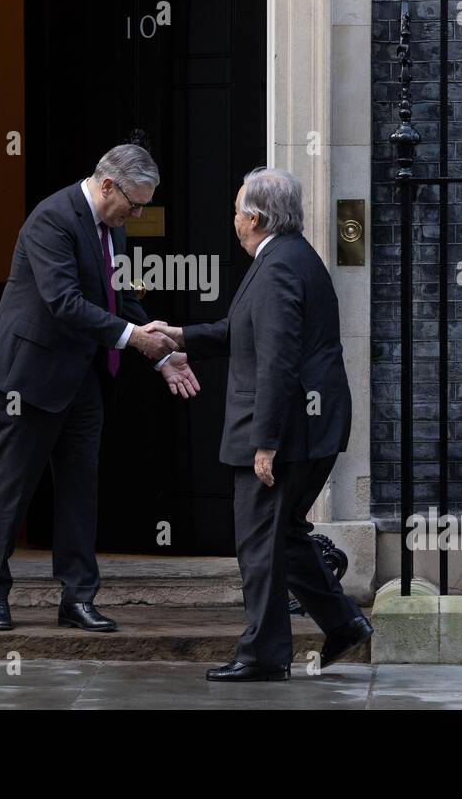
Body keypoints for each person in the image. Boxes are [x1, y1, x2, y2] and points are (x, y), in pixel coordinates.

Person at [146, 168, 371, 680]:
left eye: (235, 208)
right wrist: (180, 334)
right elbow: (241, 330)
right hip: (310, 427)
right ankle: (343, 623)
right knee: (285, 534)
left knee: (258, 542)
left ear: (255, 216)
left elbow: (277, 360)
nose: (232, 218)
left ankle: (264, 656)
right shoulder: (289, 257)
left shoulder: (277, 268)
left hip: (287, 432)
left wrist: (265, 441)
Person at [0, 143, 199, 632]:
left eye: (143, 206)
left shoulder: (112, 228)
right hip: (29, 378)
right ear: (107, 185)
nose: (137, 214)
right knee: (12, 488)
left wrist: (160, 353)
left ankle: (77, 598)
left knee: (80, 490)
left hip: (84, 381)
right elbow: (65, 302)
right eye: (135, 203)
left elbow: (120, 297)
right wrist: (135, 340)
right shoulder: (52, 219)